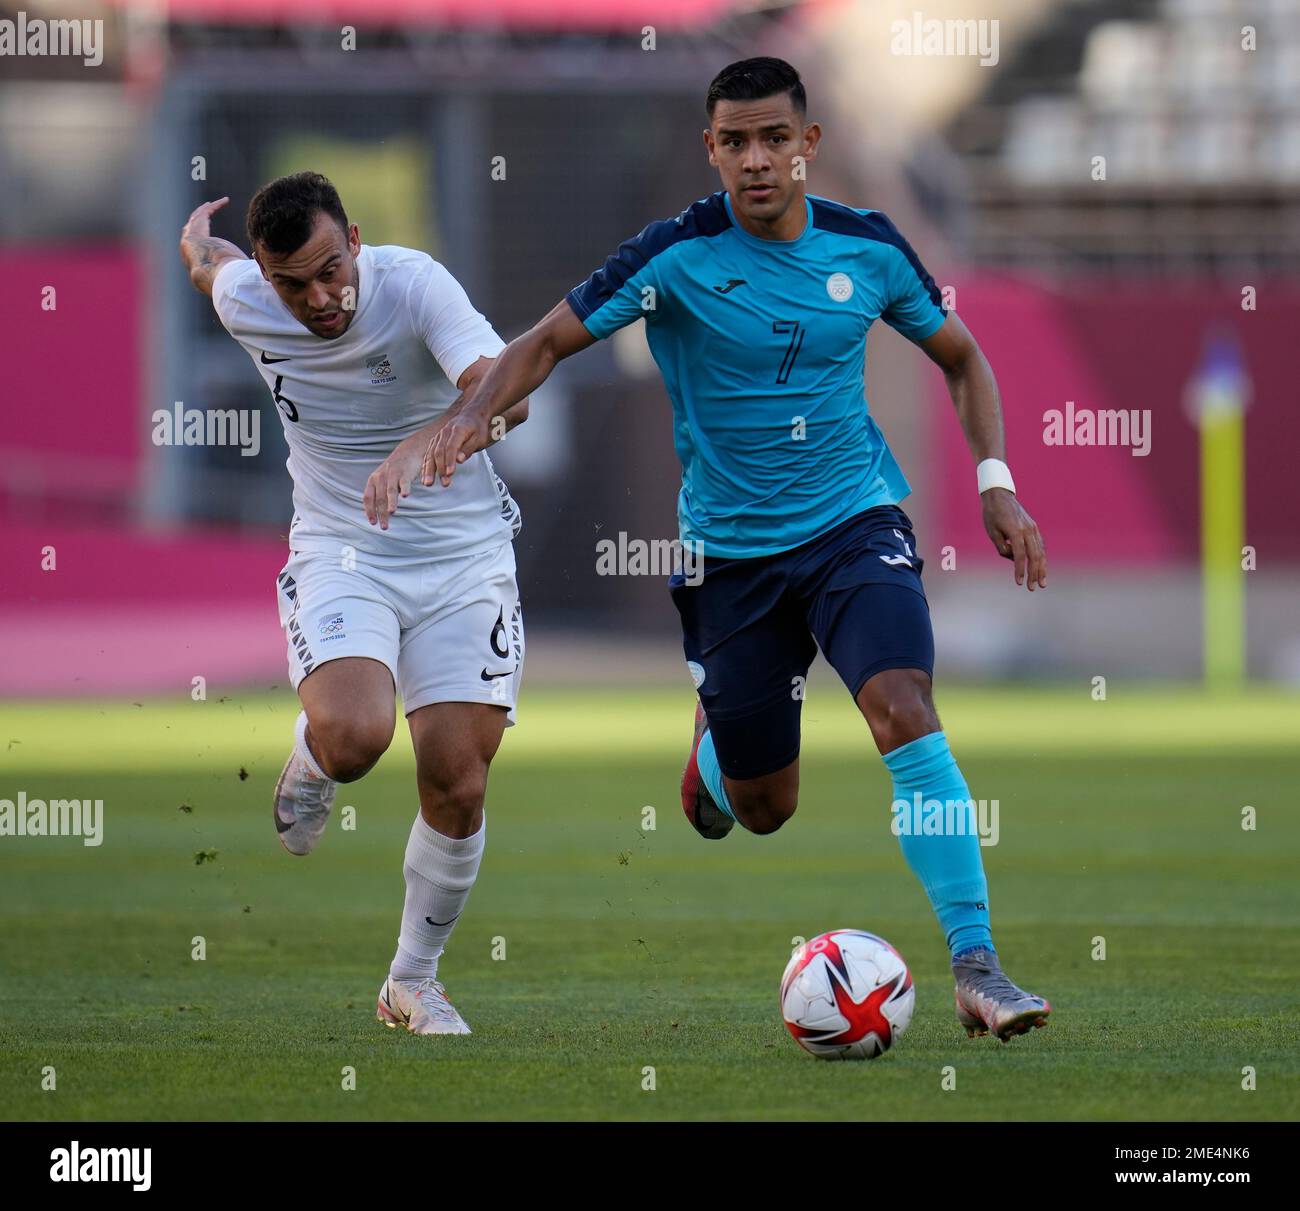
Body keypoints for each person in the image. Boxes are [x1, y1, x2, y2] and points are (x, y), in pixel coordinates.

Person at [415, 59, 1053, 1042]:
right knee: (761, 807)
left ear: (808, 145)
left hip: (855, 527)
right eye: (736, 142)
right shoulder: (672, 255)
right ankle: (715, 758)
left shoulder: (869, 245)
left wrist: (995, 481)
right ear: (710, 149)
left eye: (775, 139)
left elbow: (960, 356)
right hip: (732, 560)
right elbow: (541, 343)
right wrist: (468, 417)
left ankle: (977, 963)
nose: (757, 160)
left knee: (905, 706)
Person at [180, 171, 527, 1036]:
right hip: (343, 551)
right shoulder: (247, 298)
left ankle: (411, 981)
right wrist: (197, 242)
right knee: (355, 736)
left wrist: (424, 443)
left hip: (464, 557)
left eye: (331, 270)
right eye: (292, 283)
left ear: (357, 242)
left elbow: (509, 393)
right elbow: (210, 265)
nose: (319, 298)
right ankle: (315, 752)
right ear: (266, 275)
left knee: (458, 778)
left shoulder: (414, 286)